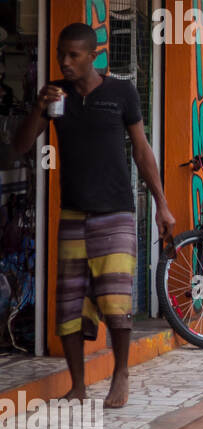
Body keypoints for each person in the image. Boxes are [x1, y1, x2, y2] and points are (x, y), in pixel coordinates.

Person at [10, 23, 175, 407]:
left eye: (73, 55)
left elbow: (142, 151)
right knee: (69, 304)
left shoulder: (121, 93)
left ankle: (120, 373)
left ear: (93, 55)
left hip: (116, 212)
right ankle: (78, 386)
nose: (65, 62)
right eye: (60, 55)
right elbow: (20, 146)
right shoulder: (56, 95)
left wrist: (162, 204)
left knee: (116, 301)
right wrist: (38, 107)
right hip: (73, 213)